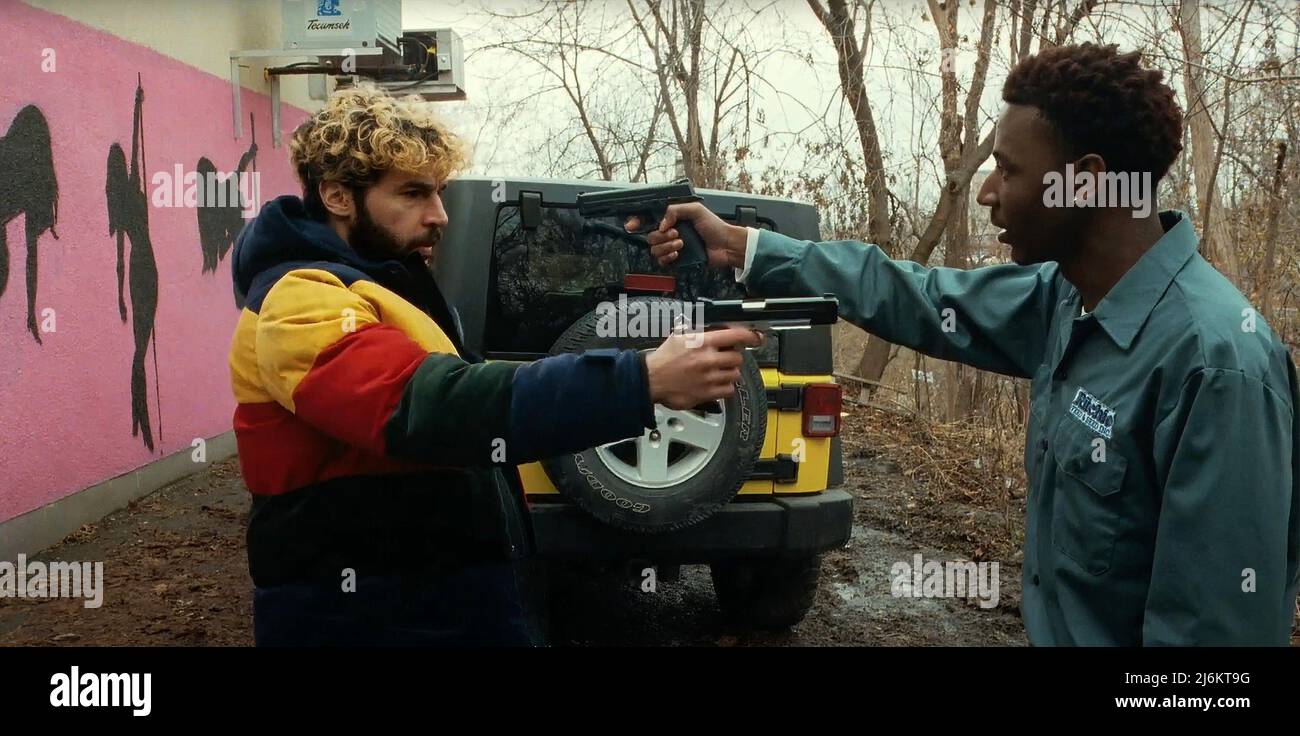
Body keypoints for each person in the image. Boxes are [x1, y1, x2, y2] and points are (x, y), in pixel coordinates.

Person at [633, 43, 1300, 645]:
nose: (985, 193)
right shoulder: (1063, 298)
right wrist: (744, 246)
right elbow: (915, 293)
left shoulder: (1216, 369)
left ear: (1088, 179)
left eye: (1007, 171)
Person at [228, 84, 760, 645]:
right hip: (363, 616)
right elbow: (426, 407)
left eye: (438, 193)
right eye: (412, 194)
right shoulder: (300, 299)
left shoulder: (392, 287)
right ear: (337, 196)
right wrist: (640, 379)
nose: (439, 216)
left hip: (430, 604)